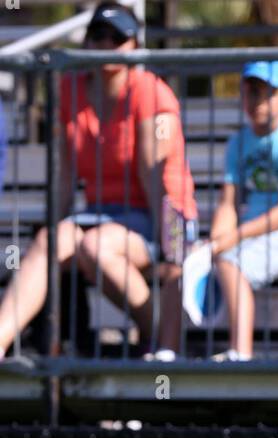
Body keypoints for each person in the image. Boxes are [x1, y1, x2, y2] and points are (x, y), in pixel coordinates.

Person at [0, 2, 198, 360]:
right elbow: (64, 178)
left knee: (95, 247)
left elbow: (156, 179)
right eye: (98, 36)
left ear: (134, 45)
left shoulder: (150, 93)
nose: (106, 45)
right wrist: (56, 225)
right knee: (50, 241)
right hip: (100, 216)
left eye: (117, 38)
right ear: (86, 43)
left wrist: (173, 245)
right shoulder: (70, 88)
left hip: (162, 216)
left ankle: (159, 331)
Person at [208, 59, 278, 362]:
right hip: (253, 233)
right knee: (205, 259)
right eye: (251, 91)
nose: (257, 100)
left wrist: (229, 240)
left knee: (233, 263)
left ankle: (240, 353)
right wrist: (215, 241)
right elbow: (227, 204)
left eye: (268, 92)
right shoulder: (238, 142)